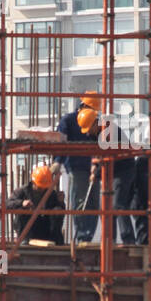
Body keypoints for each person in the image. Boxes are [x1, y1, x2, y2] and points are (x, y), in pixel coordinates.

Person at [77, 107, 137, 244]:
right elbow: (97, 153)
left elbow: (109, 159)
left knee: (118, 205)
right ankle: (110, 239)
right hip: (111, 171)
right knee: (107, 207)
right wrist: (94, 164)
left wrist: (96, 174)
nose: (88, 133)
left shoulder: (109, 132)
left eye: (89, 128)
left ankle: (128, 239)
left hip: (123, 169)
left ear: (94, 123)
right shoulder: (94, 133)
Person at [52, 91, 102, 242]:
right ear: (84, 105)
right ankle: (81, 237)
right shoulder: (68, 120)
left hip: (92, 167)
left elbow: (99, 143)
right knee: (81, 202)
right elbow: (61, 142)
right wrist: (58, 161)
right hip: (76, 166)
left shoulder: (94, 121)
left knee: (93, 203)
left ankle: (88, 237)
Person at [7, 163, 66, 244]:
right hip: (29, 228)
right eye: (40, 187)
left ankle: (55, 240)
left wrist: (61, 202)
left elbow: (60, 211)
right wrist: (21, 203)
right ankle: (24, 240)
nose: (42, 189)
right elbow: (8, 204)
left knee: (57, 211)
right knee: (23, 212)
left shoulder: (50, 193)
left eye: (44, 187)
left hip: (45, 227)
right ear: (33, 182)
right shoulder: (23, 191)